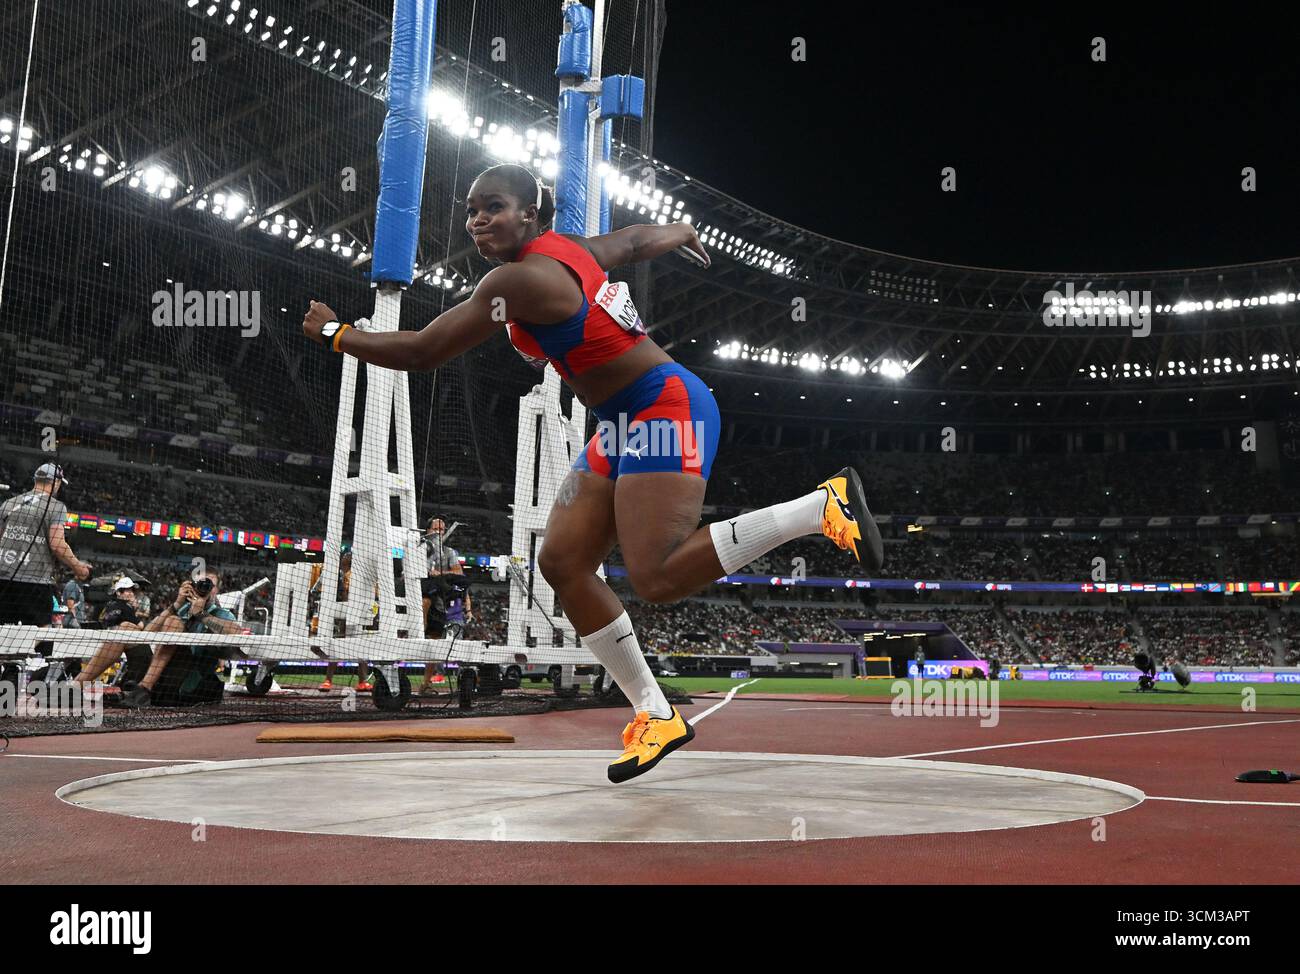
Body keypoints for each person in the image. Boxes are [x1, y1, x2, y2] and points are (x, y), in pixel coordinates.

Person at [302, 163, 883, 783]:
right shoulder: (570, 251)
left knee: (655, 575)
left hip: (665, 405)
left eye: (492, 207)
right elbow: (631, 242)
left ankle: (817, 509)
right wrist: (682, 229)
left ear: (530, 215)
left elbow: (423, 351)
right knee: (561, 562)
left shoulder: (521, 279)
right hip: (621, 421)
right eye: (470, 209)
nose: (476, 220)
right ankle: (655, 714)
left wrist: (339, 333)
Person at [120, 569, 242, 708]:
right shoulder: (181, 608)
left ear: (216, 590)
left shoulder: (221, 613)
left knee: (173, 621)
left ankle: (144, 689)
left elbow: (236, 633)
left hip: (189, 673)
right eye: (200, 583)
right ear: (192, 586)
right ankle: (88, 683)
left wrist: (201, 615)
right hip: (161, 668)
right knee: (125, 627)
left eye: (209, 584)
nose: (204, 588)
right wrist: (176, 604)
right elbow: (145, 634)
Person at [0, 463, 91, 626]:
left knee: (4, 633)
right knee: (42, 632)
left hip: (3, 577)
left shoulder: (8, 503)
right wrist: (78, 567)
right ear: (55, 482)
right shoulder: (55, 507)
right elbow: (57, 544)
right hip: (34, 581)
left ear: (36, 479)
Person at [419, 517, 472, 695]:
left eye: (442, 529)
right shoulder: (420, 548)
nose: (439, 532)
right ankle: (426, 684)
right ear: (427, 531)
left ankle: (457, 685)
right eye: (435, 529)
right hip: (427, 599)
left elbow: (459, 573)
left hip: (446, 604)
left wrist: (440, 573)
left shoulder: (450, 552)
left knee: (450, 645)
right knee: (432, 645)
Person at [309, 549, 372, 692]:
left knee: (360, 647)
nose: (347, 557)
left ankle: (362, 681)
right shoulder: (332, 573)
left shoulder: (358, 575)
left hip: (356, 614)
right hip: (335, 614)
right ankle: (328, 680)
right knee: (334, 646)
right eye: (345, 555)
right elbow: (315, 590)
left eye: (349, 556)